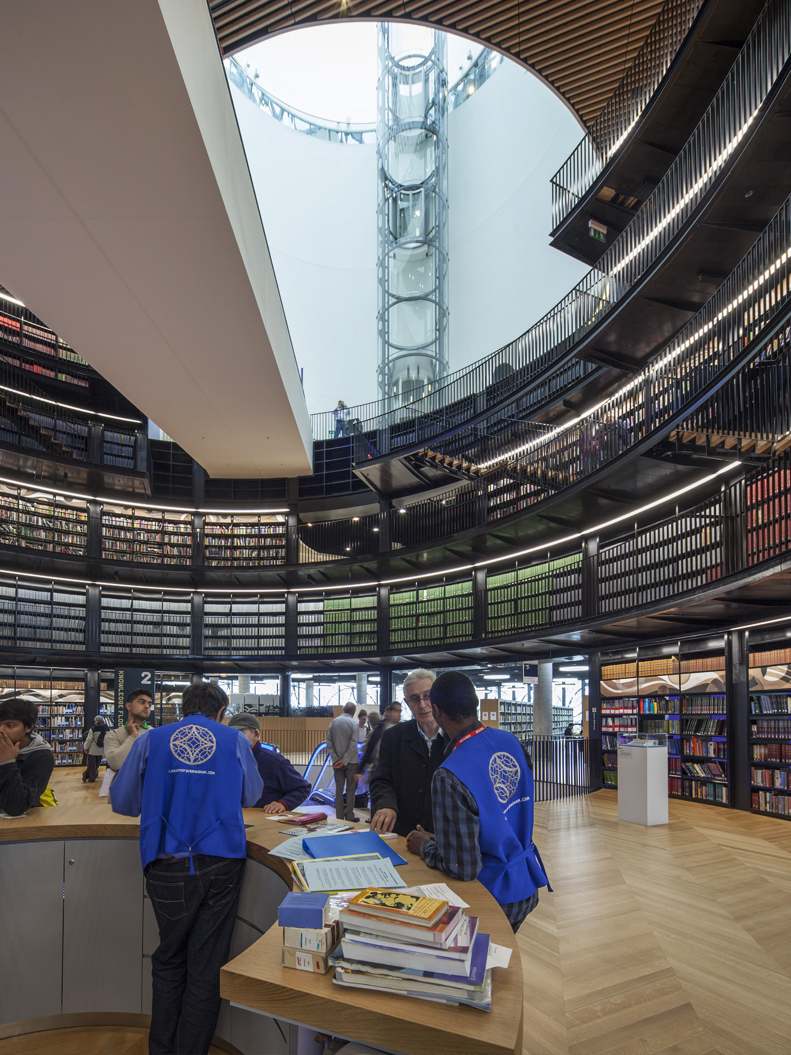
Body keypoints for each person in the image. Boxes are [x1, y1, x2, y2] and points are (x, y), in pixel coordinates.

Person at [110, 680, 263, 1055]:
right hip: (222, 861)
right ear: (221, 712)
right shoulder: (234, 740)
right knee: (206, 962)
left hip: (166, 863)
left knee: (170, 958)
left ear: (181, 710)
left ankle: (161, 1049)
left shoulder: (150, 739)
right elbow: (252, 794)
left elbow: (124, 802)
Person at [406, 671, 550, 934]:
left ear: (437, 711)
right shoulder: (511, 742)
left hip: (492, 895)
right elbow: (496, 813)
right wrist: (444, 840)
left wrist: (425, 846)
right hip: (527, 880)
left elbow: (463, 868)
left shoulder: (449, 774)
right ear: (477, 704)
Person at [369, 669, 446, 837]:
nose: (422, 704)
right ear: (407, 703)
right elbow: (381, 781)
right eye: (414, 698)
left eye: (427, 696)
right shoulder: (393, 737)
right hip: (402, 833)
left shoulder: (455, 738)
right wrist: (386, 805)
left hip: (443, 836)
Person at [227, 712, 311, 813]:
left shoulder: (275, 762)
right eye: (232, 734)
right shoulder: (226, 760)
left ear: (256, 734)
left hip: (265, 819)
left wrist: (283, 803)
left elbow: (302, 788)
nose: (236, 738)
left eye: (241, 734)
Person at [0, 698, 55, 817]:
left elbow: (16, 807)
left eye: (10, 725)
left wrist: (7, 763)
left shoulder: (42, 757)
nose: (1, 730)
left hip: (18, 823)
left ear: (28, 727)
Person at [104, 688, 153, 772]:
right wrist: (132, 735)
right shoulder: (113, 735)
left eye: (149, 704)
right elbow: (116, 764)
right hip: (124, 784)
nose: (147, 706)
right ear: (129, 706)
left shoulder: (154, 733)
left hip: (148, 784)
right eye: (142, 702)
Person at [326, 702, 359, 821]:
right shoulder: (354, 724)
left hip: (336, 762)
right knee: (351, 789)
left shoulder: (333, 722)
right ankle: (349, 816)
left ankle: (339, 816)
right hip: (351, 762)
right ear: (353, 711)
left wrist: (336, 759)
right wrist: (344, 761)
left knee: (338, 790)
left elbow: (329, 742)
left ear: (344, 710)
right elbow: (353, 744)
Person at [359, 702, 400, 778]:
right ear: (389, 712)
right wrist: (360, 769)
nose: (398, 714)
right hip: (380, 770)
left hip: (396, 771)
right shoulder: (380, 729)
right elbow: (370, 749)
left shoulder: (402, 730)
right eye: (396, 711)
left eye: (400, 711)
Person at [82, 714, 108, 783]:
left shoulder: (93, 728)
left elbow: (89, 739)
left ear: (96, 721)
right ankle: (88, 775)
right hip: (102, 749)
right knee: (97, 764)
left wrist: (85, 748)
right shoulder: (107, 728)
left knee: (91, 764)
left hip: (93, 750)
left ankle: (91, 777)